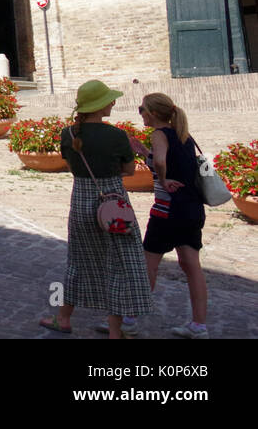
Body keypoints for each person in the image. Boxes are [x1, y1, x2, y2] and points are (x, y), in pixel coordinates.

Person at [40, 79, 154, 338]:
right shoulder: (117, 135)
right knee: (118, 264)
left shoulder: (67, 134)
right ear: (100, 105)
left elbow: (71, 166)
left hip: (80, 200)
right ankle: (115, 332)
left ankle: (63, 319)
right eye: (109, 100)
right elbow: (128, 170)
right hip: (113, 203)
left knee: (78, 262)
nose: (113, 103)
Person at [130, 93, 209, 339]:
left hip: (168, 210)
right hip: (192, 208)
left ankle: (130, 320)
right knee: (191, 266)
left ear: (152, 113)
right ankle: (198, 325)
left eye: (142, 109)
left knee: (148, 265)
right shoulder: (184, 136)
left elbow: (163, 162)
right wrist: (144, 152)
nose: (140, 113)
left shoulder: (159, 134)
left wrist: (163, 179)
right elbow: (172, 163)